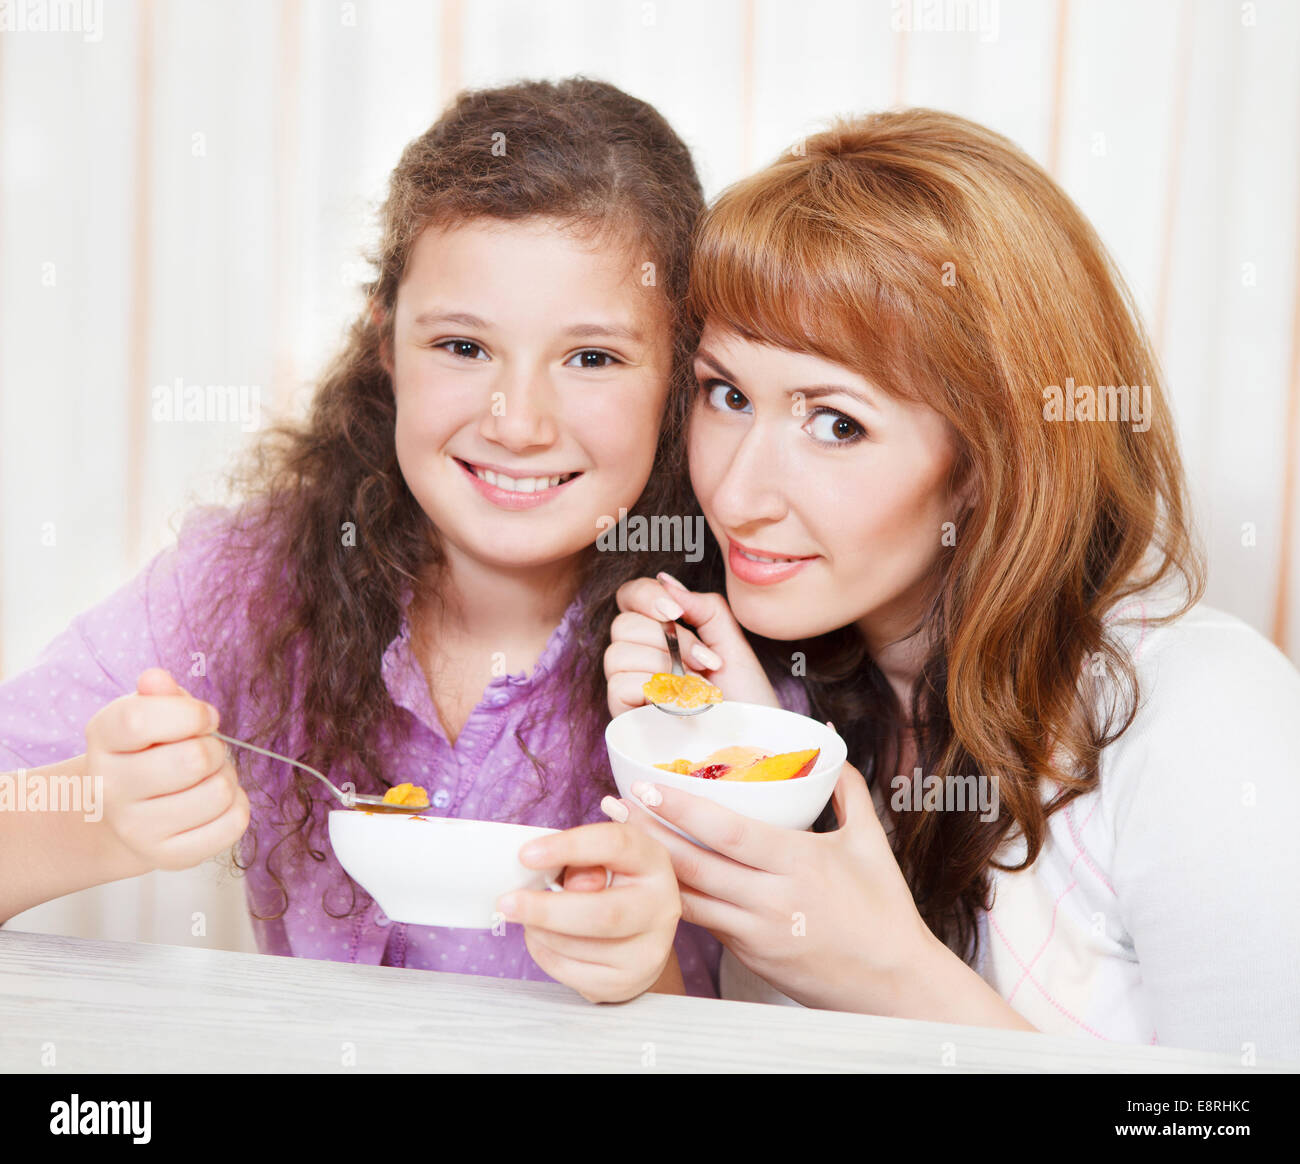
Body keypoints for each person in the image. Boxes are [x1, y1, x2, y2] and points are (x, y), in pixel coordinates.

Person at [603, 108, 1300, 1057]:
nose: (733, 491)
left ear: (989, 460)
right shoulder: (792, 693)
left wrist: (890, 972)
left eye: (835, 423)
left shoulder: (1201, 720)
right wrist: (753, 759)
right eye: (727, 394)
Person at [0, 77, 714, 1004]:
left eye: (593, 359)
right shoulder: (246, 580)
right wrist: (91, 815)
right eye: (463, 347)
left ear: (678, 377)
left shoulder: (715, 646)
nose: (520, 422)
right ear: (385, 343)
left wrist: (640, 969)